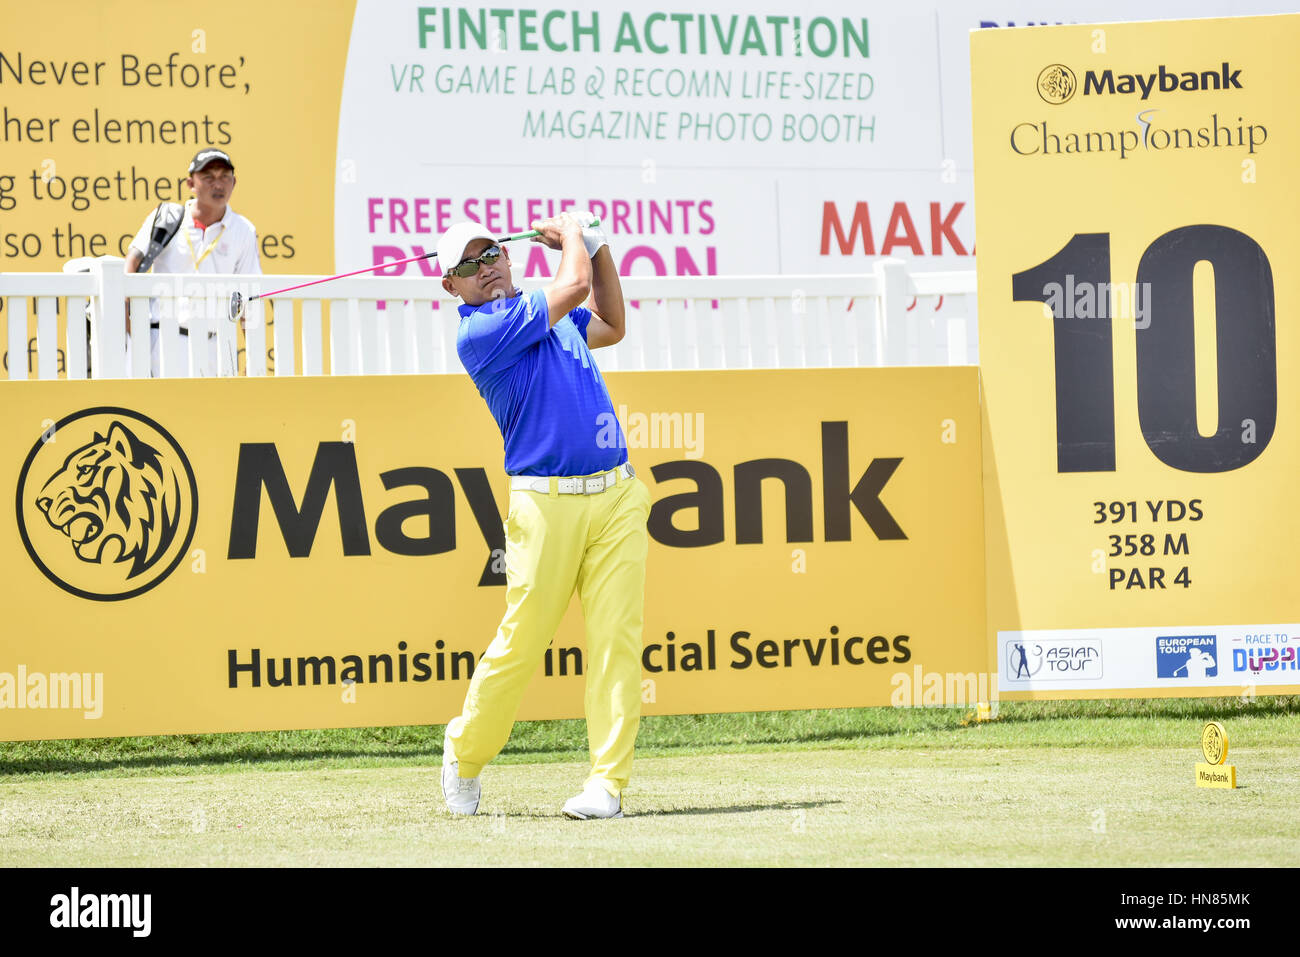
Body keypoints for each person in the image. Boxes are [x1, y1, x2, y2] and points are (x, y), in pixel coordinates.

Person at [438, 211, 651, 820]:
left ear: (509, 257)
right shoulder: (482, 331)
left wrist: (599, 246)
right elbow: (575, 286)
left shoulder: (546, 313)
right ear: (451, 286)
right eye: (468, 266)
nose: (485, 269)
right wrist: (575, 235)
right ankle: (466, 751)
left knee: (617, 641)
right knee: (524, 642)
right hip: (545, 502)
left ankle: (606, 784)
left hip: (617, 495)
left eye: (491, 255)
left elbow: (610, 321)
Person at [123, 148, 262, 376]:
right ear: (190, 183)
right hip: (163, 340)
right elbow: (132, 262)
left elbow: (248, 296)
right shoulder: (166, 216)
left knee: (214, 411)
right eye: (208, 177)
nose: (218, 184)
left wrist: (252, 356)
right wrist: (129, 324)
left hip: (215, 344)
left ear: (234, 182)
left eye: (225, 177)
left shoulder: (244, 230)